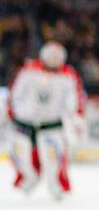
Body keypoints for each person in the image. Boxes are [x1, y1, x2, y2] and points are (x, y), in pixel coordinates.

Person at [7, 42, 87, 199]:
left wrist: (76, 118)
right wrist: (12, 113)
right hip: (23, 124)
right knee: (19, 156)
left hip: (51, 126)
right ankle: (28, 178)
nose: (54, 60)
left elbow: (74, 101)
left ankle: (56, 186)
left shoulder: (68, 75)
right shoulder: (29, 70)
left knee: (53, 159)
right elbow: (14, 95)